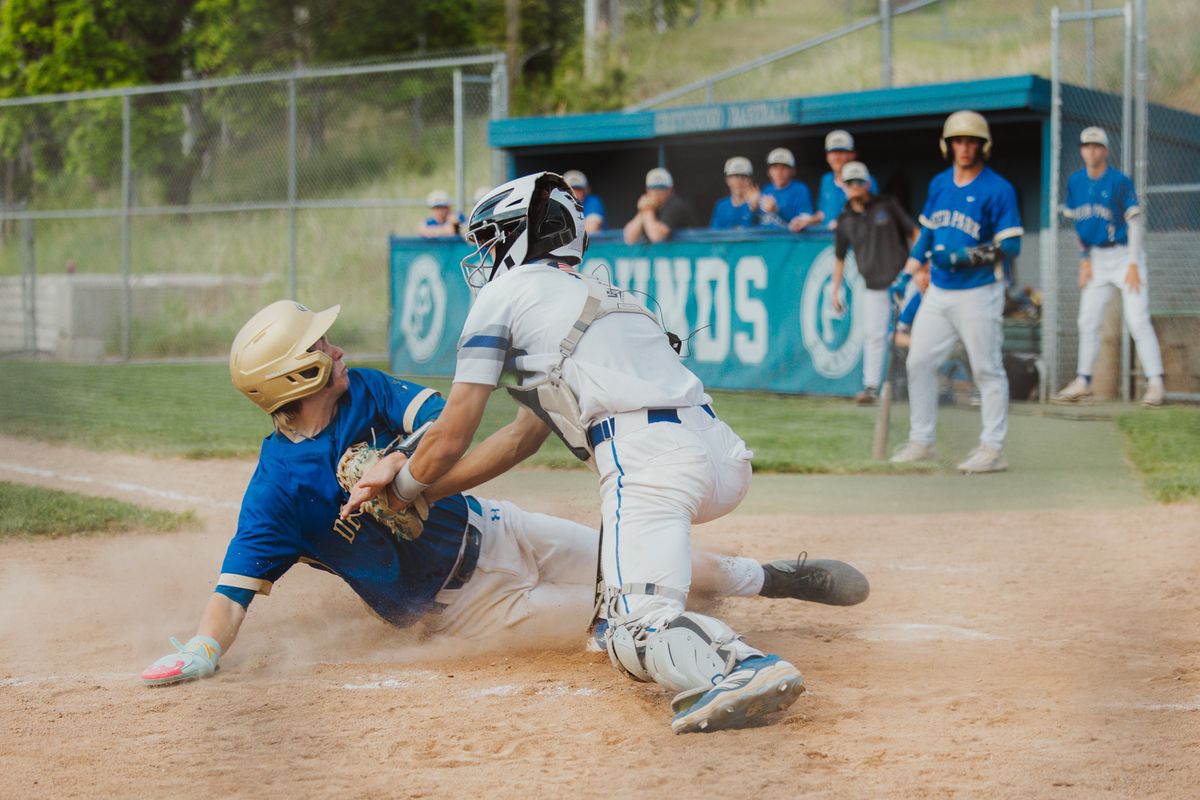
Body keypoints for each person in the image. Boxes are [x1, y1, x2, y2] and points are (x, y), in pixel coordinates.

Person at [343, 172, 869, 734]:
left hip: (647, 457)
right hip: (717, 455)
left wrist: (401, 487)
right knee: (621, 569)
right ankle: (764, 582)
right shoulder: (599, 294)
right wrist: (427, 492)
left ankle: (740, 667)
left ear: (522, 236)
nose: (487, 255)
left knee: (632, 628)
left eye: (493, 240)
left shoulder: (504, 293)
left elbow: (453, 431)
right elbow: (521, 436)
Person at [140, 299, 868, 687]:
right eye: (318, 350)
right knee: (612, 609)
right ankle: (729, 662)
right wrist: (204, 648)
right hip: (472, 610)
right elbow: (234, 587)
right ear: (294, 381)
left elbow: (444, 427)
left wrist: (394, 460)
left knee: (647, 560)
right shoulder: (276, 492)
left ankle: (772, 578)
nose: (335, 350)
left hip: (502, 527)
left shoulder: (364, 390)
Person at [888, 110, 1023, 474]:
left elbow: (1010, 246)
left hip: (979, 292)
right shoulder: (939, 185)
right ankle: (923, 441)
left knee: (986, 369)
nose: (964, 148)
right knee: (918, 361)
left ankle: (993, 448)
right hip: (939, 291)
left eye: (971, 141)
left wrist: (967, 256)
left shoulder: (998, 188)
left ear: (983, 145)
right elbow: (926, 239)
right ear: (948, 146)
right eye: (958, 141)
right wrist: (905, 275)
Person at [1052, 126, 1165, 407]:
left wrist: (1133, 263)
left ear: (1105, 151)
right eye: (1086, 146)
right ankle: (1083, 381)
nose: (1091, 151)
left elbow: (1135, 222)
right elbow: (1078, 226)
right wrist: (1083, 261)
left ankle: (1156, 383)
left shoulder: (1119, 181)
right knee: (1086, 320)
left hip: (1126, 254)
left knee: (1137, 319)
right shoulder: (1076, 181)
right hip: (1097, 260)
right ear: (1081, 150)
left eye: (1097, 146)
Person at [831, 161, 914, 404]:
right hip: (873, 285)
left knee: (910, 332)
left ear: (867, 184)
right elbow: (839, 259)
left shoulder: (887, 205)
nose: (855, 186)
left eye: (859, 181)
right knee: (874, 336)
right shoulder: (844, 220)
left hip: (902, 280)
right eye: (850, 182)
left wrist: (921, 268)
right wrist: (835, 291)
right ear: (843, 186)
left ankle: (924, 385)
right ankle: (871, 387)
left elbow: (914, 232)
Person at [813, 130, 877, 230]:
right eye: (833, 152)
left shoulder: (865, 179)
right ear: (827, 157)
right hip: (827, 240)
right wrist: (809, 220)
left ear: (852, 155)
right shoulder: (826, 180)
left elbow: (873, 215)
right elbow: (823, 213)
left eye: (841, 152)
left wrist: (843, 222)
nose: (837, 157)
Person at [622, 167, 697, 244]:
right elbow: (630, 239)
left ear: (670, 190)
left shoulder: (676, 205)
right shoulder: (649, 206)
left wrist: (647, 210)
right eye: (653, 188)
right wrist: (644, 210)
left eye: (662, 187)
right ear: (647, 190)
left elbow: (656, 237)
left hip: (689, 251)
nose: (657, 192)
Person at [760, 147, 815, 231]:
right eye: (775, 168)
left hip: (789, 241)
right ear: (768, 172)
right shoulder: (767, 190)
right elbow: (760, 222)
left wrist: (777, 210)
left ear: (792, 171)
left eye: (784, 168)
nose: (779, 173)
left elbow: (803, 222)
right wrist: (753, 208)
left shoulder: (800, 189)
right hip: (766, 240)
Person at [709, 156, 763, 230]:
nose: (739, 181)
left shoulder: (761, 204)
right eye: (735, 176)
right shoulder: (721, 206)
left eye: (743, 177)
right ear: (727, 180)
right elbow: (714, 235)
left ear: (750, 180)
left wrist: (753, 209)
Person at [563, 170, 606, 234]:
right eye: (570, 189)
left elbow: (592, 229)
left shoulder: (592, 201)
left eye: (578, 189)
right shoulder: (557, 204)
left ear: (586, 190)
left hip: (593, 243)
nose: (574, 193)